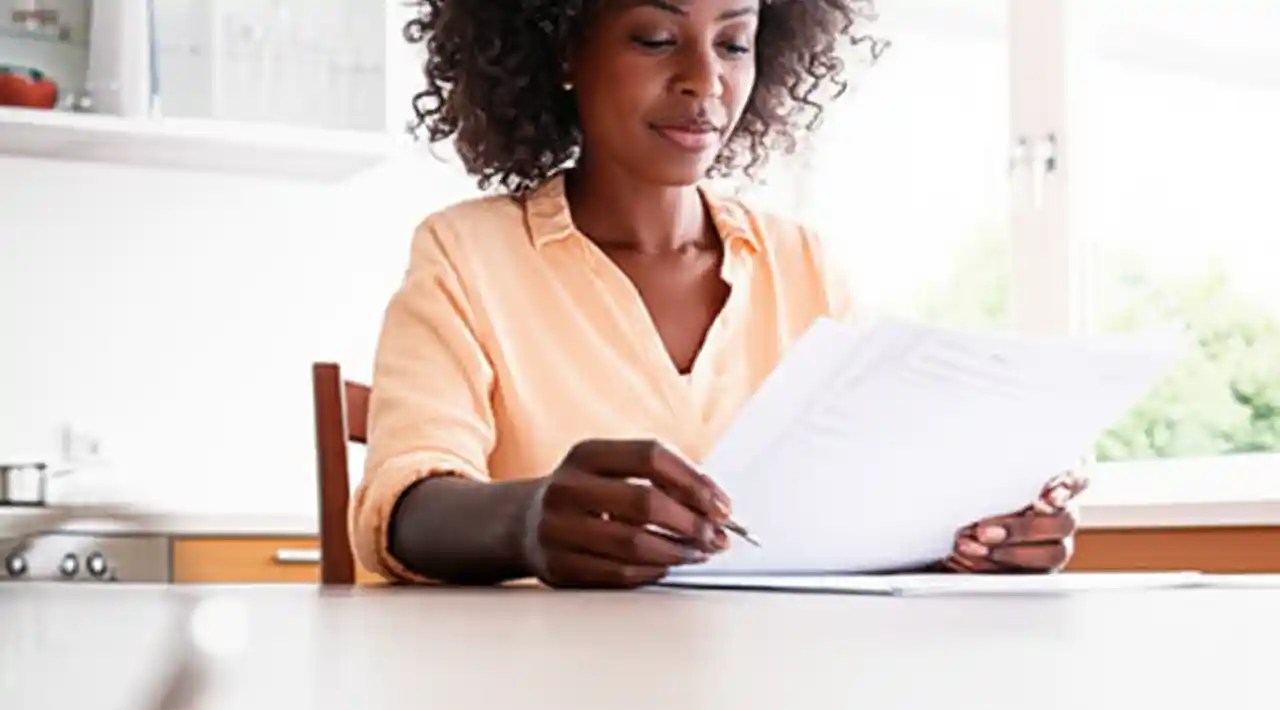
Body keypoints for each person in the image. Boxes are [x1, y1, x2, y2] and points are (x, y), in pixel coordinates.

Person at [351, 0, 1087, 587]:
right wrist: (527, 520)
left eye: (734, 43)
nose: (705, 81)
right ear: (565, 50)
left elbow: (857, 502)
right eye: (654, 37)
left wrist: (970, 536)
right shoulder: (466, 254)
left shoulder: (802, 264)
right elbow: (404, 507)